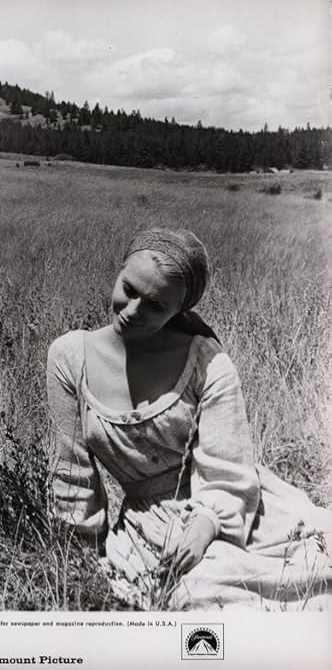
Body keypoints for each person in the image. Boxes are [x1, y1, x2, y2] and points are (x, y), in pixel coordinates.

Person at [46, 228, 331, 610]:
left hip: (230, 512)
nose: (132, 312)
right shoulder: (69, 357)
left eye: (155, 306)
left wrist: (205, 527)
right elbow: (72, 477)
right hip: (144, 528)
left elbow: (227, 470)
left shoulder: (208, 363)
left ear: (178, 311)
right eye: (128, 290)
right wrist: (79, 565)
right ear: (118, 271)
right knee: (188, 601)